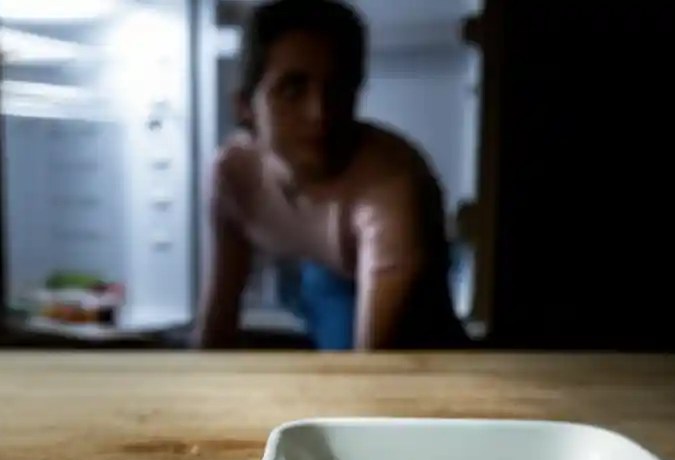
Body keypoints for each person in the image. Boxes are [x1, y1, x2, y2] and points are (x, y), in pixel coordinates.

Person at [194, 0, 471, 351]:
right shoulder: (233, 173)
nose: (319, 113)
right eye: (293, 89)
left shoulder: (391, 182)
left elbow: (373, 368)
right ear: (246, 106)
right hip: (310, 282)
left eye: (338, 88)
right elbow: (217, 321)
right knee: (316, 282)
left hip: (421, 337)